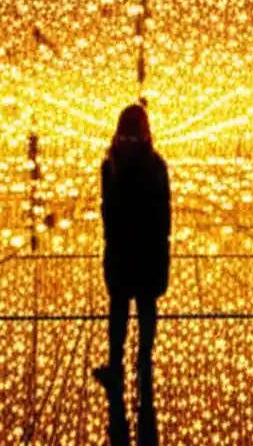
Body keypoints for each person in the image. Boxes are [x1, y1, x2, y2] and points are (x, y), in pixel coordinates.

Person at [92, 104, 171, 407]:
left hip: (121, 244)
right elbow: (164, 209)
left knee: (120, 305)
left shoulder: (111, 163)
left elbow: (107, 206)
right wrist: (163, 240)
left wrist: (112, 233)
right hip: (148, 244)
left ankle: (116, 364)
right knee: (146, 303)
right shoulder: (155, 165)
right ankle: (144, 361)